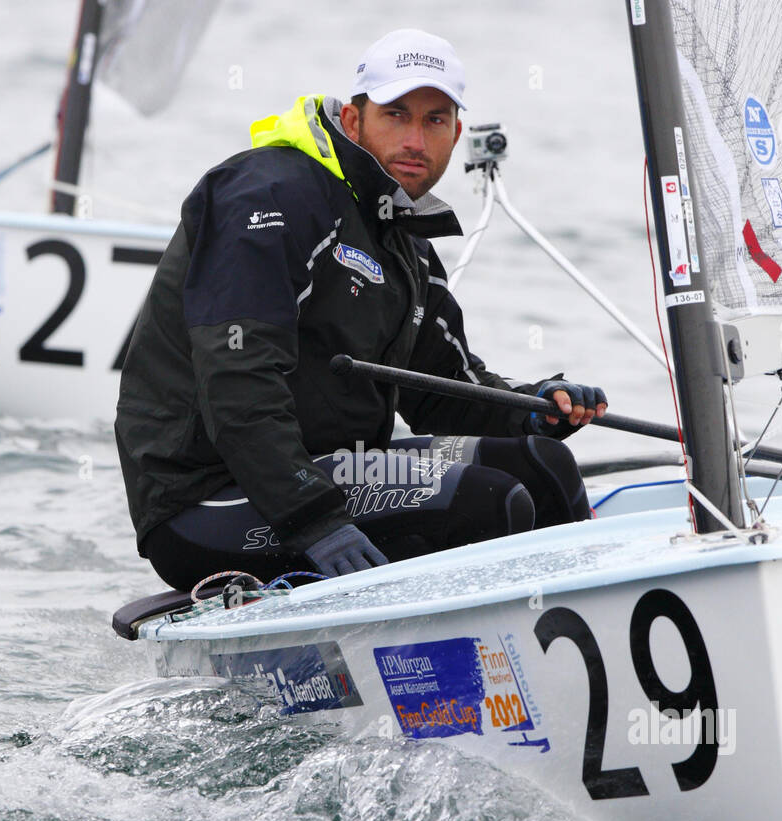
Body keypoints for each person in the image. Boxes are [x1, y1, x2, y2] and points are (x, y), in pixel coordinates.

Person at [116, 28, 608, 590]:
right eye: (396, 115)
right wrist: (315, 522)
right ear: (353, 122)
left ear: (456, 134)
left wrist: (532, 406)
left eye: (434, 120)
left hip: (335, 470)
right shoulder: (265, 195)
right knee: (488, 501)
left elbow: (443, 389)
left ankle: (581, 636)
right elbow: (236, 380)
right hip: (205, 501)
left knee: (543, 465)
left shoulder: (404, 243)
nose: (415, 140)